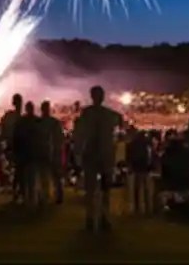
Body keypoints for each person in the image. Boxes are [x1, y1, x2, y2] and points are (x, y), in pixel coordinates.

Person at [73, 85, 124, 232]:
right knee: (105, 190)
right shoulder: (109, 114)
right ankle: (103, 218)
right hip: (103, 155)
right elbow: (120, 121)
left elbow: (80, 134)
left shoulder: (87, 113)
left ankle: (91, 218)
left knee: (92, 190)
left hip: (91, 155)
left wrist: (78, 153)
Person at [13, 102, 41, 207]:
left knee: (25, 177)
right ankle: (32, 199)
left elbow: (16, 138)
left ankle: (27, 198)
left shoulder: (21, 122)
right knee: (30, 178)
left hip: (25, 153)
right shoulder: (37, 121)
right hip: (31, 153)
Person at [38, 101, 65, 205]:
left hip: (47, 152)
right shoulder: (53, 122)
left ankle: (49, 195)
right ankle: (54, 195)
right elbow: (60, 138)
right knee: (53, 175)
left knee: (49, 175)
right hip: (48, 152)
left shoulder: (40, 123)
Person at [1, 93, 23, 203]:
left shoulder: (11, 116)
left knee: (18, 169)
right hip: (16, 146)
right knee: (18, 169)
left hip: (15, 146)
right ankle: (17, 190)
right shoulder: (14, 117)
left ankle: (16, 190)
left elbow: (4, 131)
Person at [126, 126, 153, 214]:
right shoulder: (147, 144)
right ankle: (147, 208)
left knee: (136, 189)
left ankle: (136, 208)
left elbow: (129, 157)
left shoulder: (131, 144)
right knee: (145, 189)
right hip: (144, 168)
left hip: (135, 168)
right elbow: (150, 156)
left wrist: (130, 167)